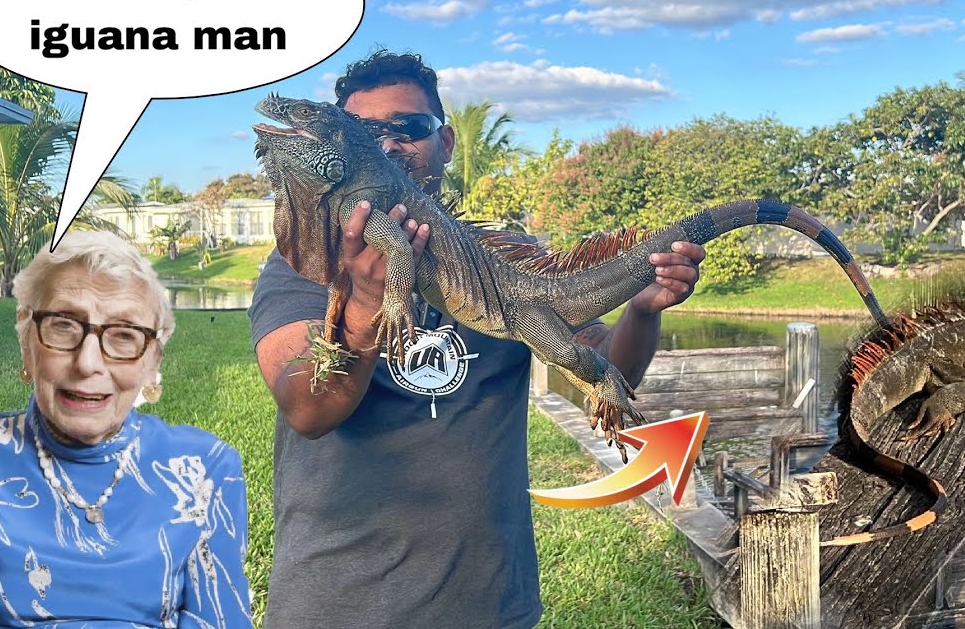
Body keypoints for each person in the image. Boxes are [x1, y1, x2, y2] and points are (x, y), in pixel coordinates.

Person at [249, 48, 706, 628]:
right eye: (366, 132)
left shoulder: (499, 265)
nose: (389, 144)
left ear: (444, 143)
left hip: (488, 603)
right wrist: (368, 300)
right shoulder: (301, 266)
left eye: (410, 128)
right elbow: (306, 410)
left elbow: (600, 367)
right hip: (339, 603)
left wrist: (642, 309)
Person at [0, 231, 251, 628]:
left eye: (124, 335)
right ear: (27, 343)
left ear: (152, 363)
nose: (88, 363)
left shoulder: (205, 469)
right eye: (63, 326)